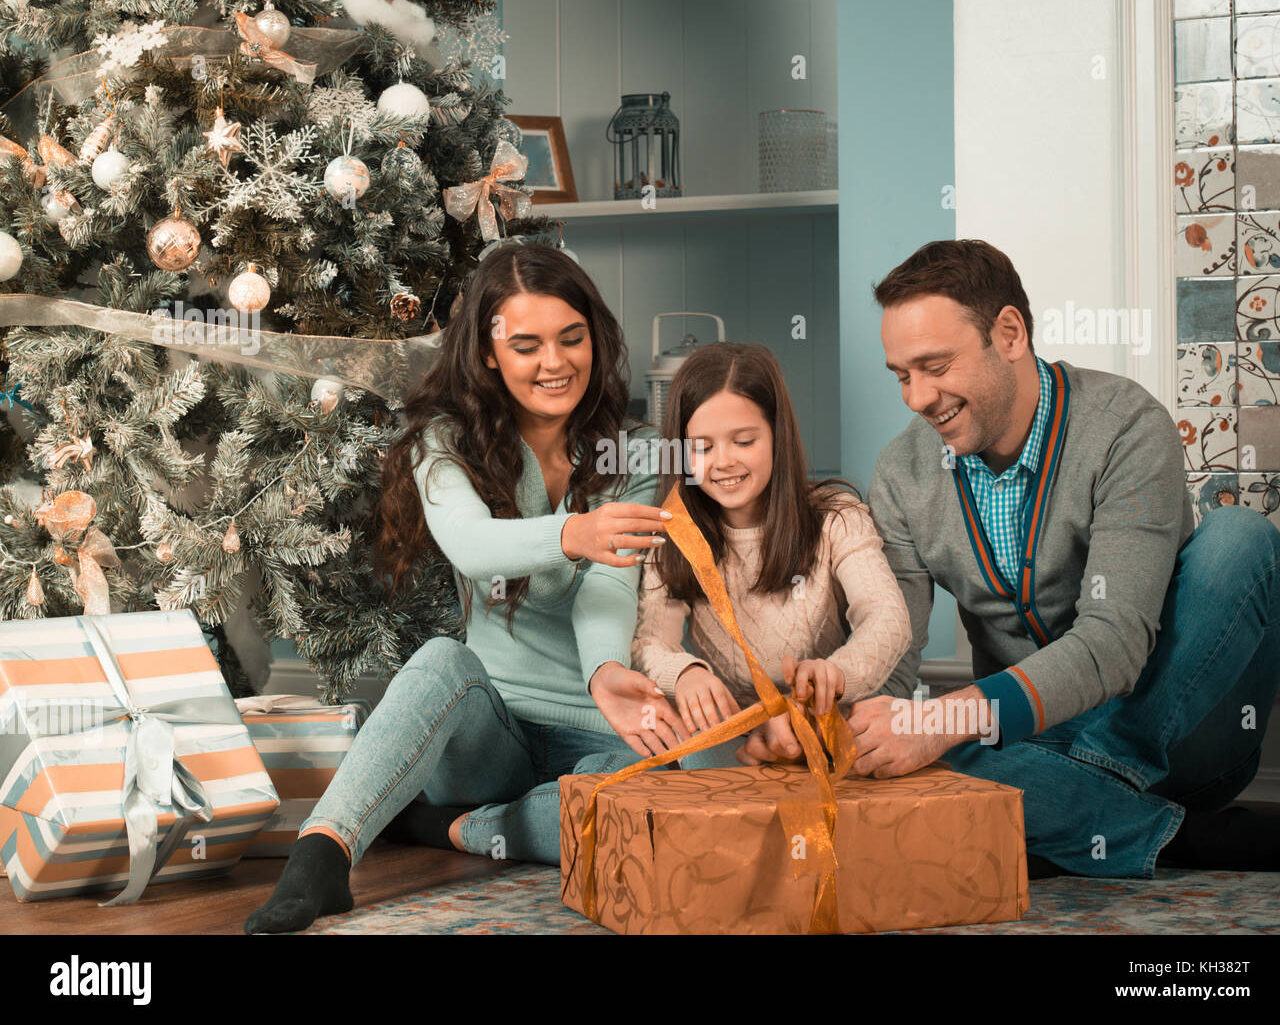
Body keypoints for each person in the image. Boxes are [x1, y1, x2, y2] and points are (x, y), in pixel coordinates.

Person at [805, 237, 1280, 878]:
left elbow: (1113, 644)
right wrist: (843, 729)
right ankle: (1162, 832)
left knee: (1240, 539)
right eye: (901, 375)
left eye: (935, 366)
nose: (916, 398)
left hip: (1178, 735)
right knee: (894, 751)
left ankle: (1067, 795)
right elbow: (895, 658)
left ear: (1009, 332)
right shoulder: (902, 472)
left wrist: (946, 724)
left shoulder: (1125, 426)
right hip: (1026, 735)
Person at [245, 243, 689, 934]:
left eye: (573, 339)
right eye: (527, 345)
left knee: (654, 801)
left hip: (593, 737)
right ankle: (321, 856)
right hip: (489, 736)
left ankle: (454, 829)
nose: (555, 363)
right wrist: (572, 532)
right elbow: (474, 547)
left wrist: (606, 672)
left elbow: (611, 584)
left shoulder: (631, 449)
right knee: (440, 661)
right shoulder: (441, 442)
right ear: (487, 353)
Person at [632, 342, 912, 767]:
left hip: (831, 742)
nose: (723, 462)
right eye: (702, 448)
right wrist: (684, 673)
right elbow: (651, 641)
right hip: (737, 751)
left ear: (777, 435)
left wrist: (838, 674)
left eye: (743, 441)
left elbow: (887, 619)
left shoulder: (838, 519)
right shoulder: (673, 536)